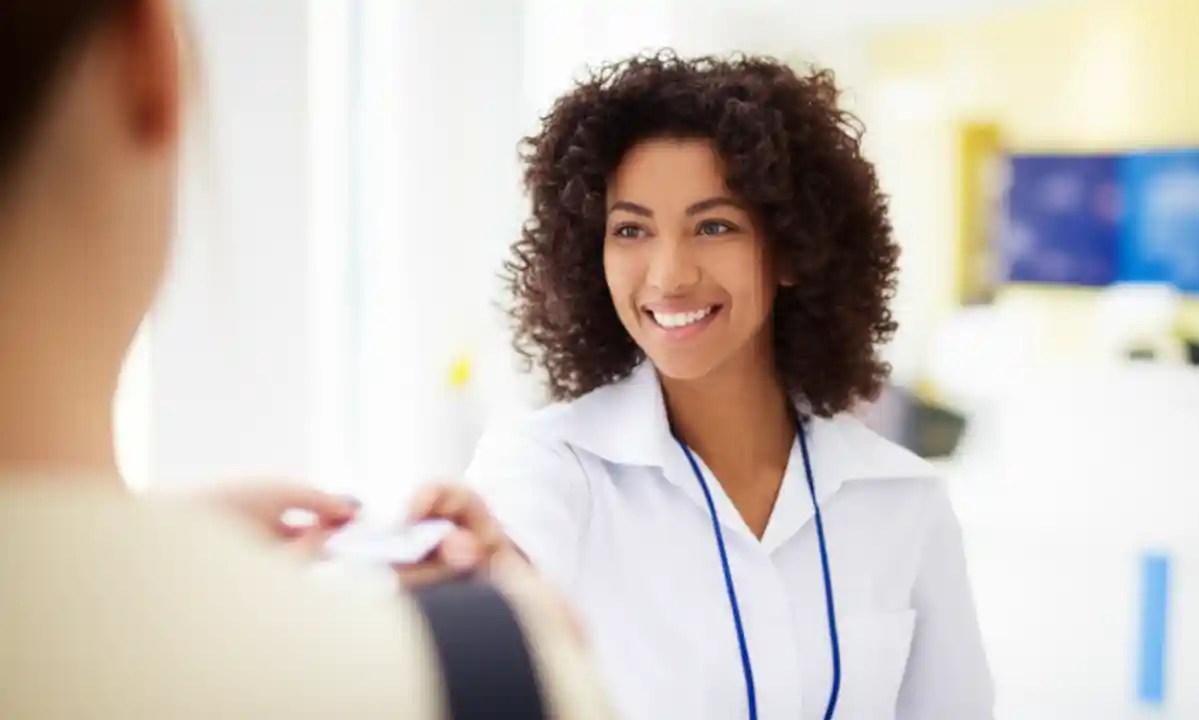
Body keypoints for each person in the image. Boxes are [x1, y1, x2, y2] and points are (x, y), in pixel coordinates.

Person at [0, 2, 611, 717]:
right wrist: (528, 649)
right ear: (147, 64)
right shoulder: (467, 678)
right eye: (630, 229)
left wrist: (148, 540)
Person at [424, 52, 995, 719]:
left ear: (788, 248)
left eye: (714, 226)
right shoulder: (552, 468)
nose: (667, 276)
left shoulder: (902, 500)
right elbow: (499, 583)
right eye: (631, 230)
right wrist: (479, 579)